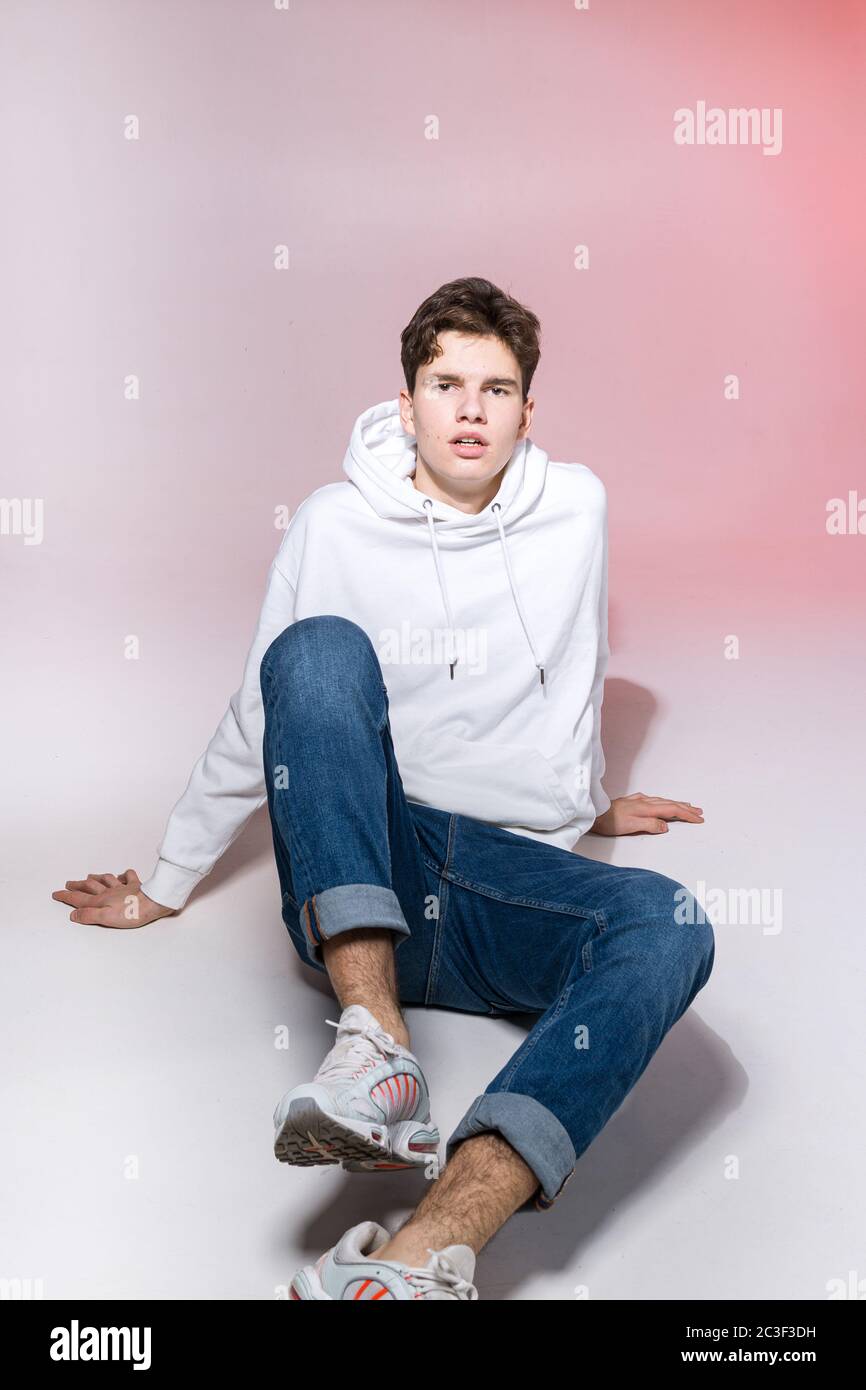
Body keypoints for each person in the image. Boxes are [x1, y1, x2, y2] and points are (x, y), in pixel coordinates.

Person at [53, 276, 714, 1301]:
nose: (468, 409)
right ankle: (375, 1052)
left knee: (670, 921)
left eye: (495, 389)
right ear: (405, 403)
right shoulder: (333, 522)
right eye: (445, 383)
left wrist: (584, 801)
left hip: (500, 885)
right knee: (315, 652)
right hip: (370, 858)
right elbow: (267, 709)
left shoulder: (574, 508)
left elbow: (571, 669)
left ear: (526, 412)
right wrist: (170, 877)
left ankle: (423, 1255)